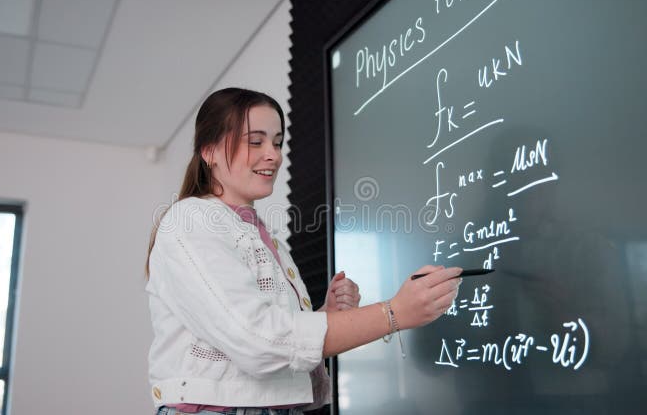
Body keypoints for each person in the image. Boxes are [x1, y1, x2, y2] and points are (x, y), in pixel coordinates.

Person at [145, 87, 461, 414]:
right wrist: (393, 313)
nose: (274, 155)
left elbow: (273, 337)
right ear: (209, 151)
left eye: (278, 142)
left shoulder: (265, 238)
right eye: (256, 141)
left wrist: (326, 316)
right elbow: (260, 342)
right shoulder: (192, 219)